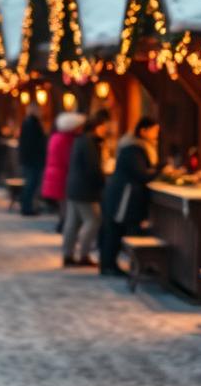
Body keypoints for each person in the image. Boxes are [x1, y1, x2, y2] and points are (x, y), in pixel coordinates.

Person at [99, 116, 160, 276]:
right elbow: (140, 174)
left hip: (123, 193)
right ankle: (109, 265)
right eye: (154, 130)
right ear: (143, 131)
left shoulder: (136, 146)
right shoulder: (134, 148)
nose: (156, 134)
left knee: (116, 228)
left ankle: (112, 264)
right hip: (123, 195)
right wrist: (160, 171)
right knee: (115, 229)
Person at [61, 110, 111, 267]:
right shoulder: (89, 143)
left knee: (73, 222)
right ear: (97, 127)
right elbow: (93, 168)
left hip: (74, 187)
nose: (106, 129)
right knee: (93, 220)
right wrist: (102, 183)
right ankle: (83, 254)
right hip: (85, 190)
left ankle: (68, 254)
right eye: (104, 126)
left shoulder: (81, 140)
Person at [42, 111, 86, 233]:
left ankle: (63, 224)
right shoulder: (67, 140)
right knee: (66, 204)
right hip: (62, 175)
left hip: (55, 174)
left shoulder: (56, 137)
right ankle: (64, 226)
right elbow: (69, 159)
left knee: (63, 204)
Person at [17, 103, 48, 216]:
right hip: (32, 159)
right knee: (31, 183)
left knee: (31, 183)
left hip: (31, 159)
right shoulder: (31, 123)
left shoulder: (30, 122)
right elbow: (31, 143)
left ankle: (28, 206)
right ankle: (27, 207)